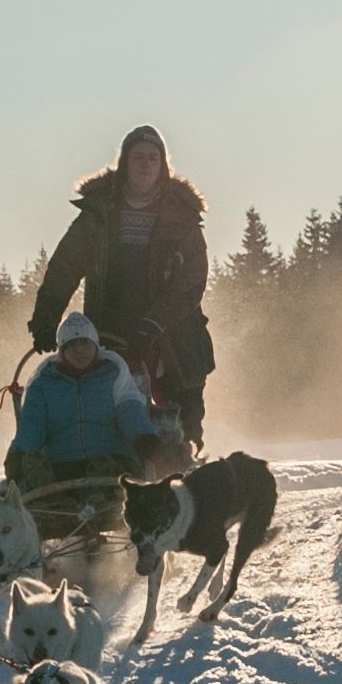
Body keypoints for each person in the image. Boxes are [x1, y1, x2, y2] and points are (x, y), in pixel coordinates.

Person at [32, 124, 215, 449]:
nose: (146, 164)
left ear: (163, 166)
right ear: (124, 163)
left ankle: (181, 464)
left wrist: (154, 323)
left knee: (181, 419)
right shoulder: (98, 215)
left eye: (153, 158)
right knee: (107, 409)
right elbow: (64, 268)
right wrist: (46, 318)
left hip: (173, 336)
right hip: (109, 329)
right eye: (138, 157)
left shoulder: (183, 219)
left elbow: (191, 283)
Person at [7, 309, 158, 539]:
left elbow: (129, 410)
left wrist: (143, 436)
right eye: (71, 345)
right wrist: (19, 454)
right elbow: (32, 425)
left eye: (85, 343)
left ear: (96, 345)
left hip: (109, 460)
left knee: (108, 470)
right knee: (31, 467)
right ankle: (65, 511)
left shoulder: (114, 373)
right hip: (61, 466)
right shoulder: (43, 383)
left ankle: (94, 509)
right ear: (61, 350)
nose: (79, 350)